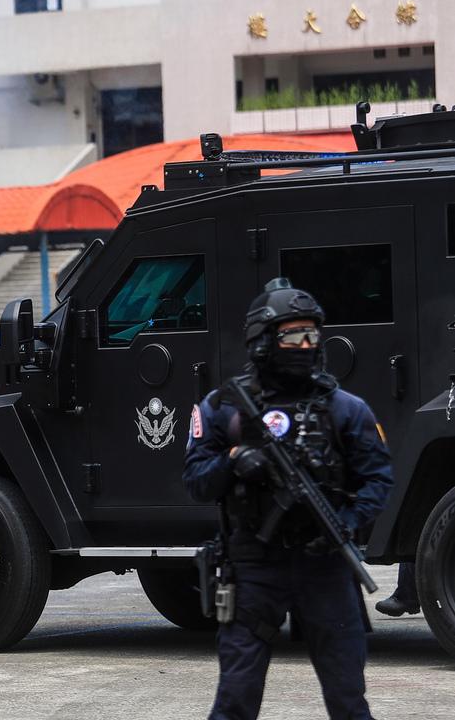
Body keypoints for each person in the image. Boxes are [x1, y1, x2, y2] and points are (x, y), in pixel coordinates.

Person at [183, 278, 393, 720]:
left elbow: (377, 480)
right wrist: (235, 460)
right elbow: (197, 482)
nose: (304, 344)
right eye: (291, 334)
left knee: (348, 698)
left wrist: (346, 523)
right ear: (263, 341)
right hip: (254, 566)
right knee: (236, 698)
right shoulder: (223, 408)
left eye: (311, 334)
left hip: (326, 564)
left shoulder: (345, 408)